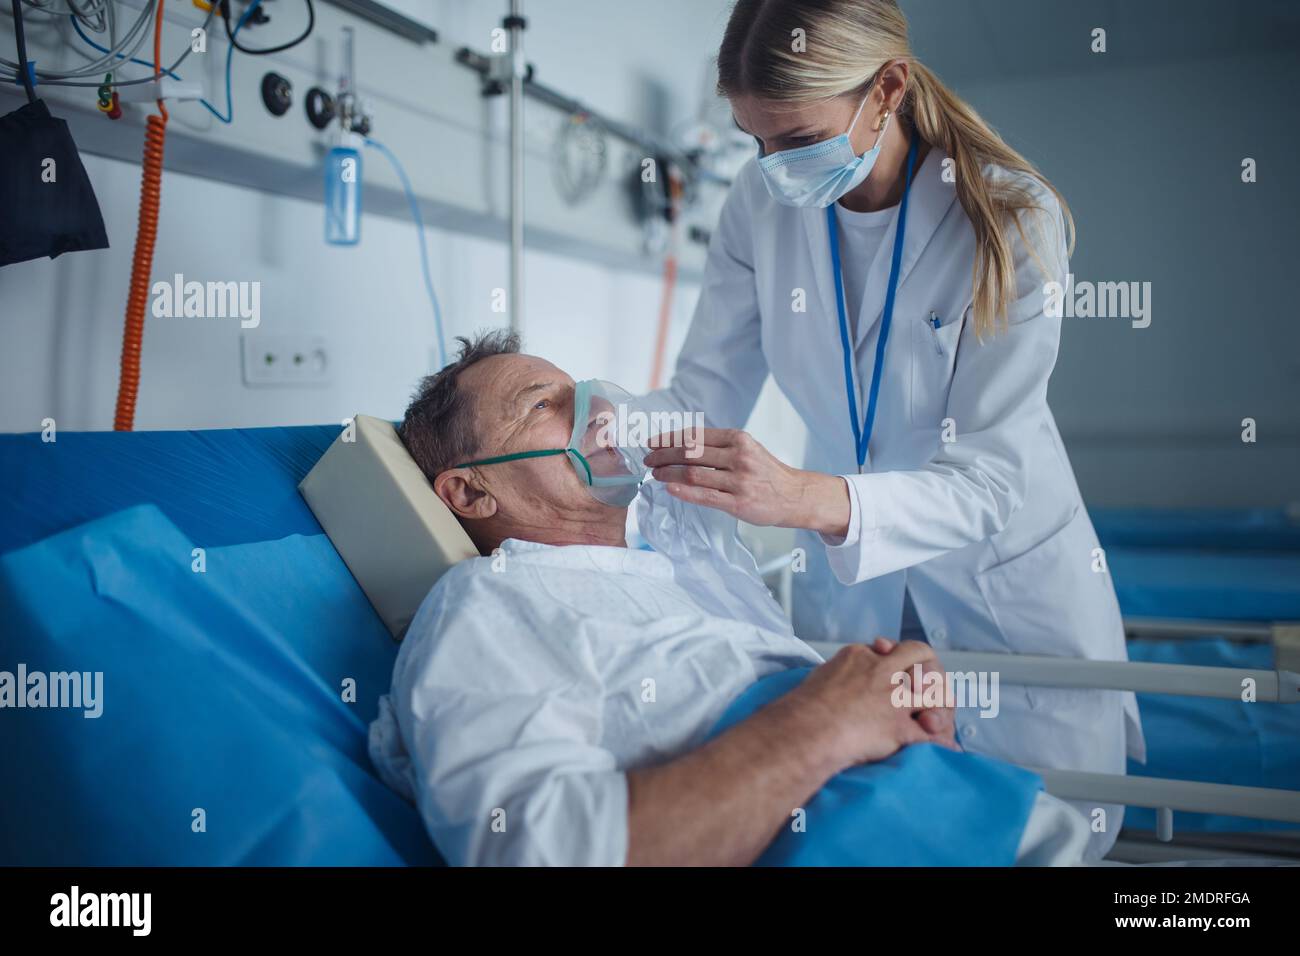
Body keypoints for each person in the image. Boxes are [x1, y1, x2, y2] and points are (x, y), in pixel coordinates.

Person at [635, 0, 1142, 860]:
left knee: (1042, 839)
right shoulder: (759, 204)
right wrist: (600, 421)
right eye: (755, 140)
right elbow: (701, 396)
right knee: (876, 837)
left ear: (887, 90)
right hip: (856, 597)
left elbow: (988, 482)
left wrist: (799, 497)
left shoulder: (1009, 217)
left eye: (798, 140)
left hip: (1004, 594)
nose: (773, 168)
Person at [367, 331, 1090, 866]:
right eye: (542, 405)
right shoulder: (486, 602)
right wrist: (828, 718)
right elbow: (540, 848)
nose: (597, 410)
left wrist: (897, 711)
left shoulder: (673, 570)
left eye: (580, 389)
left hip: (988, 823)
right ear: (470, 492)